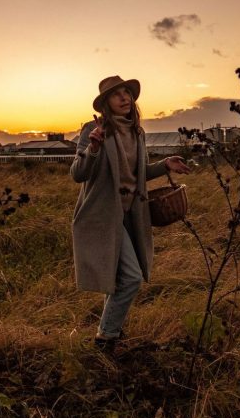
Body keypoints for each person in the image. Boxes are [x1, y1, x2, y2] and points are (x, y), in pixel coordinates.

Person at [70, 75, 192, 351]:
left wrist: (165, 164)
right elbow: (78, 174)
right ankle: (106, 337)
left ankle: (109, 332)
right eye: (117, 95)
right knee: (132, 277)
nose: (125, 98)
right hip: (103, 216)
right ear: (106, 104)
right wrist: (94, 147)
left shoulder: (137, 133)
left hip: (131, 214)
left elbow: (138, 176)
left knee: (118, 278)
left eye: (127, 93)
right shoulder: (94, 129)